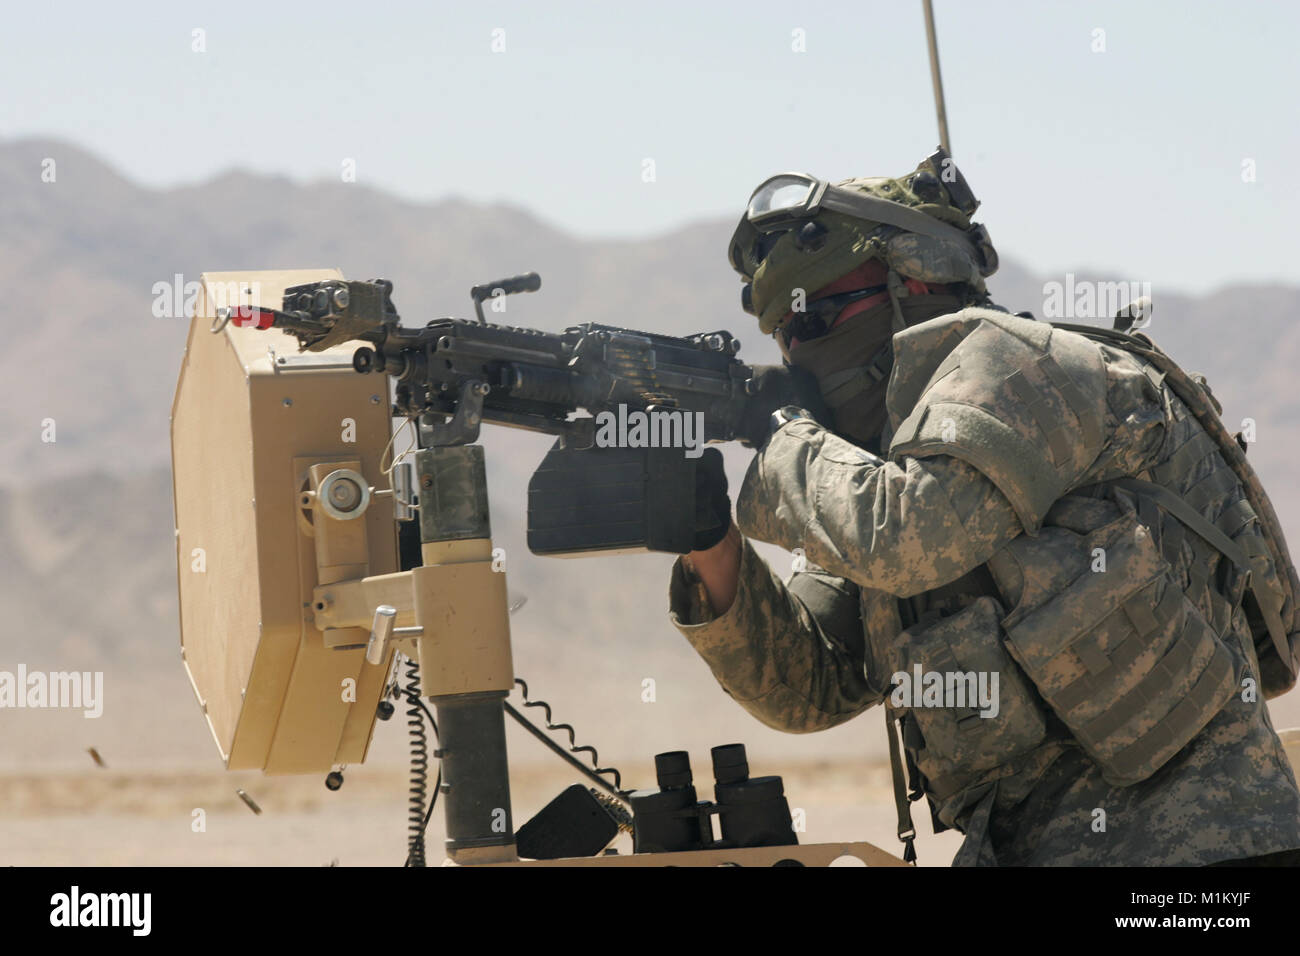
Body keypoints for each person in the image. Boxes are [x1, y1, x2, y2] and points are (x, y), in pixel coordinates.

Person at [668, 150, 1300, 865]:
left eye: (818, 323)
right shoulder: (890, 470)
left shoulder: (1022, 364)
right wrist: (706, 537)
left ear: (916, 283)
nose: (797, 354)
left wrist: (774, 431)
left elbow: (903, 536)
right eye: (783, 334)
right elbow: (809, 684)